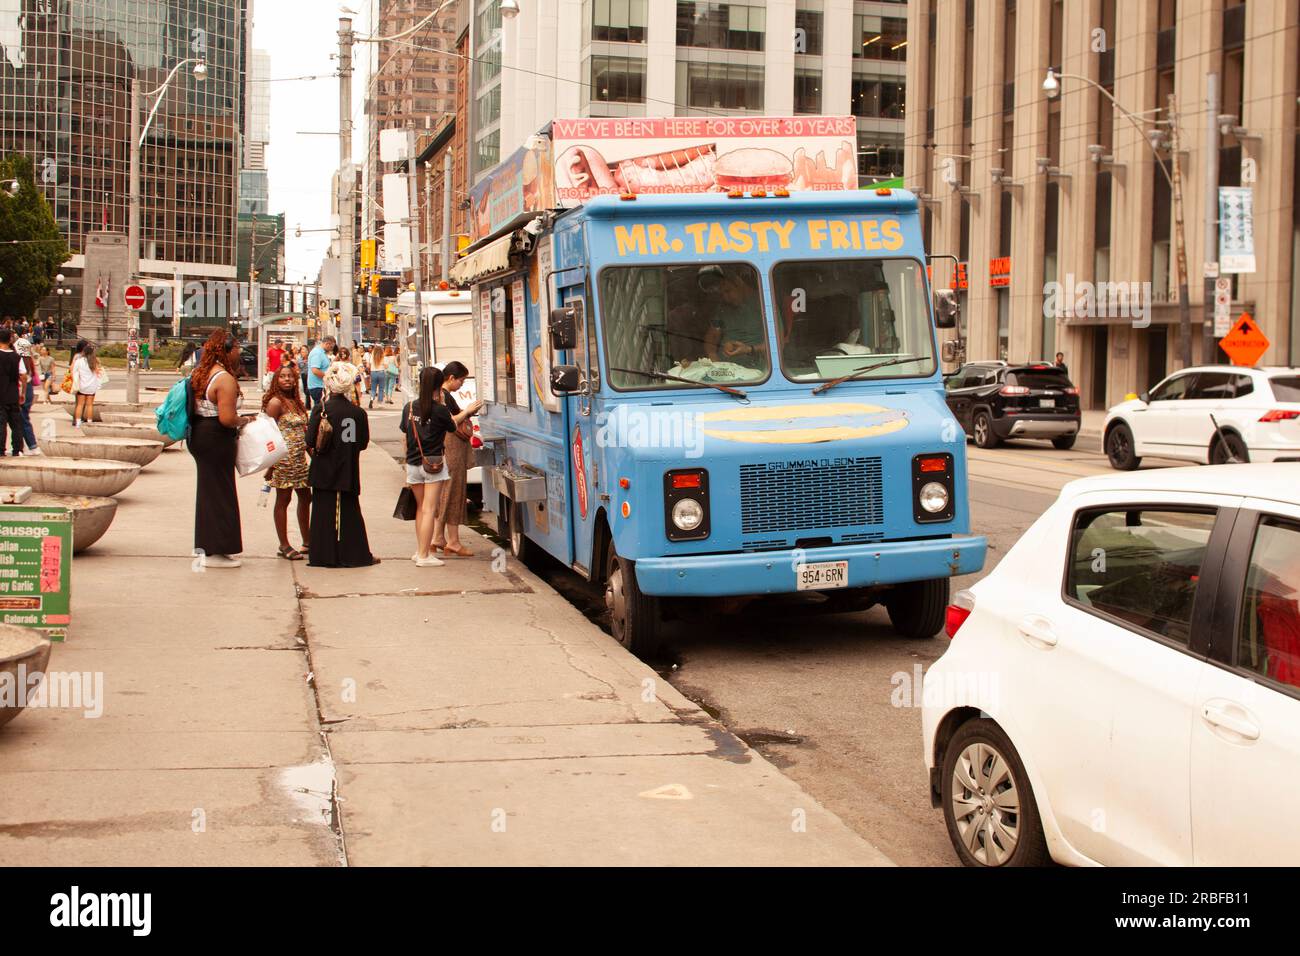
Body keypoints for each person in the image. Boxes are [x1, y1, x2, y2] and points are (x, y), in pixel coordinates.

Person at [401, 366, 480, 566]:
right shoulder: (440, 410)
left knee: (420, 509)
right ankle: (424, 555)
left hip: (412, 463)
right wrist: (468, 411)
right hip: (433, 464)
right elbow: (453, 425)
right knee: (429, 509)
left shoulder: (409, 407)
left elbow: (405, 434)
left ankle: (421, 550)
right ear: (440, 384)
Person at [189, 331, 255, 568]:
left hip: (200, 434)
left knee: (210, 493)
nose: (240, 352)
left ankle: (210, 547)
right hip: (216, 437)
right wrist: (245, 420)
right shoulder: (224, 378)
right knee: (220, 494)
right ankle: (215, 551)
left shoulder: (202, 372)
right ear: (226, 350)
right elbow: (227, 418)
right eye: (237, 347)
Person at [305, 362, 379, 567]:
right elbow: (362, 443)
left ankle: (322, 555)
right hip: (348, 467)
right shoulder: (358, 413)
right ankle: (353, 554)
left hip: (323, 467)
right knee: (350, 511)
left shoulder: (321, 410)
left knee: (322, 511)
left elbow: (310, 441)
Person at [432, 361, 482, 557]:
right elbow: (451, 422)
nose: (461, 384)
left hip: (447, 451)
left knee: (447, 493)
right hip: (452, 452)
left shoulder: (439, 395)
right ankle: (451, 540)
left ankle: (439, 537)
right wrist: (468, 411)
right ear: (451, 378)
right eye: (460, 380)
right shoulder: (444, 397)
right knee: (453, 494)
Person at [263, 364, 312, 560]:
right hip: (283, 460)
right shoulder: (275, 403)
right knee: (283, 500)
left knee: (306, 498)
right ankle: (284, 545)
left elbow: (305, 432)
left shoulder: (296, 402)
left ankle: (308, 542)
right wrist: (270, 464)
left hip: (300, 460)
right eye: (282, 376)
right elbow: (267, 434)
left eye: (290, 376)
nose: (287, 380)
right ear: (276, 380)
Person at [700, 266, 766, 362]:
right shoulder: (722, 308)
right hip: (726, 368)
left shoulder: (763, 303)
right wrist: (713, 356)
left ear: (739, 283)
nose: (726, 298)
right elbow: (713, 335)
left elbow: (777, 343)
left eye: (728, 291)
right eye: (722, 294)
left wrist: (750, 349)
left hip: (758, 369)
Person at [0, 328, 27, 456]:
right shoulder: (16, 357)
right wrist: (23, 393)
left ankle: (1, 449)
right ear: (10, 340)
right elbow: (23, 375)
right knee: (16, 423)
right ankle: (18, 449)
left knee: (1, 423)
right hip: (13, 393)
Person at [13, 325, 39, 454]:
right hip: (27, 388)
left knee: (18, 418)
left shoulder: (18, 360)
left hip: (19, 388)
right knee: (22, 417)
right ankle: (29, 446)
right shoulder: (28, 361)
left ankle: (26, 446)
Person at [71, 342, 104, 427]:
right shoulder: (95, 362)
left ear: (84, 352)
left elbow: (74, 372)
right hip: (92, 387)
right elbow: (100, 373)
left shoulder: (79, 361)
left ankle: (78, 423)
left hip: (82, 386)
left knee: (80, 404)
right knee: (90, 405)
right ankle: (89, 422)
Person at [306, 336, 334, 409]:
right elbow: (315, 370)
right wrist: (328, 377)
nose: (331, 349)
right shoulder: (317, 353)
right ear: (327, 344)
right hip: (318, 386)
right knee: (322, 409)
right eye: (331, 347)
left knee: (322, 408)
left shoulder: (321, 353)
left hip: (320, 386)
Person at [368, 345, 386, 409]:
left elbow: (369, 365)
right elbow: (386, 365)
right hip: (381, 372)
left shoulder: (372, 356)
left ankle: (371, 399)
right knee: (381, 389)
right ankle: (379, 403)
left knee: (373, 389)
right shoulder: (383, 356)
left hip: (373, 372)